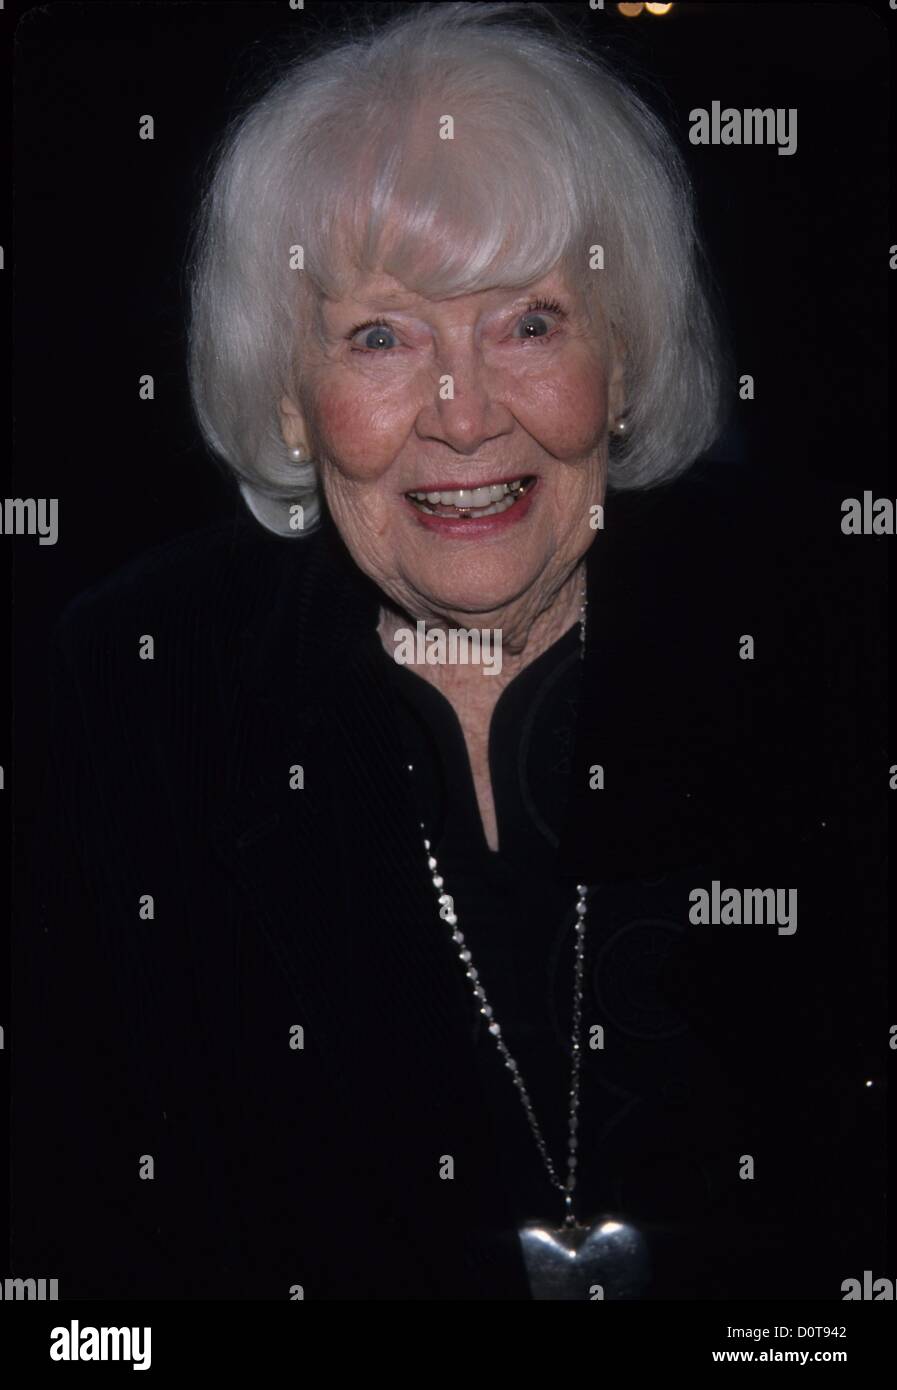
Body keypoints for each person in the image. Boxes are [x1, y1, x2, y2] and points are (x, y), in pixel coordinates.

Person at [13, 2, 884, 1300]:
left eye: (528, 321)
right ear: (288, 400)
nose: (464, 413)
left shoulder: (837, 661)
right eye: (380, 335)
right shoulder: (125, 711)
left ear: (626, 355)